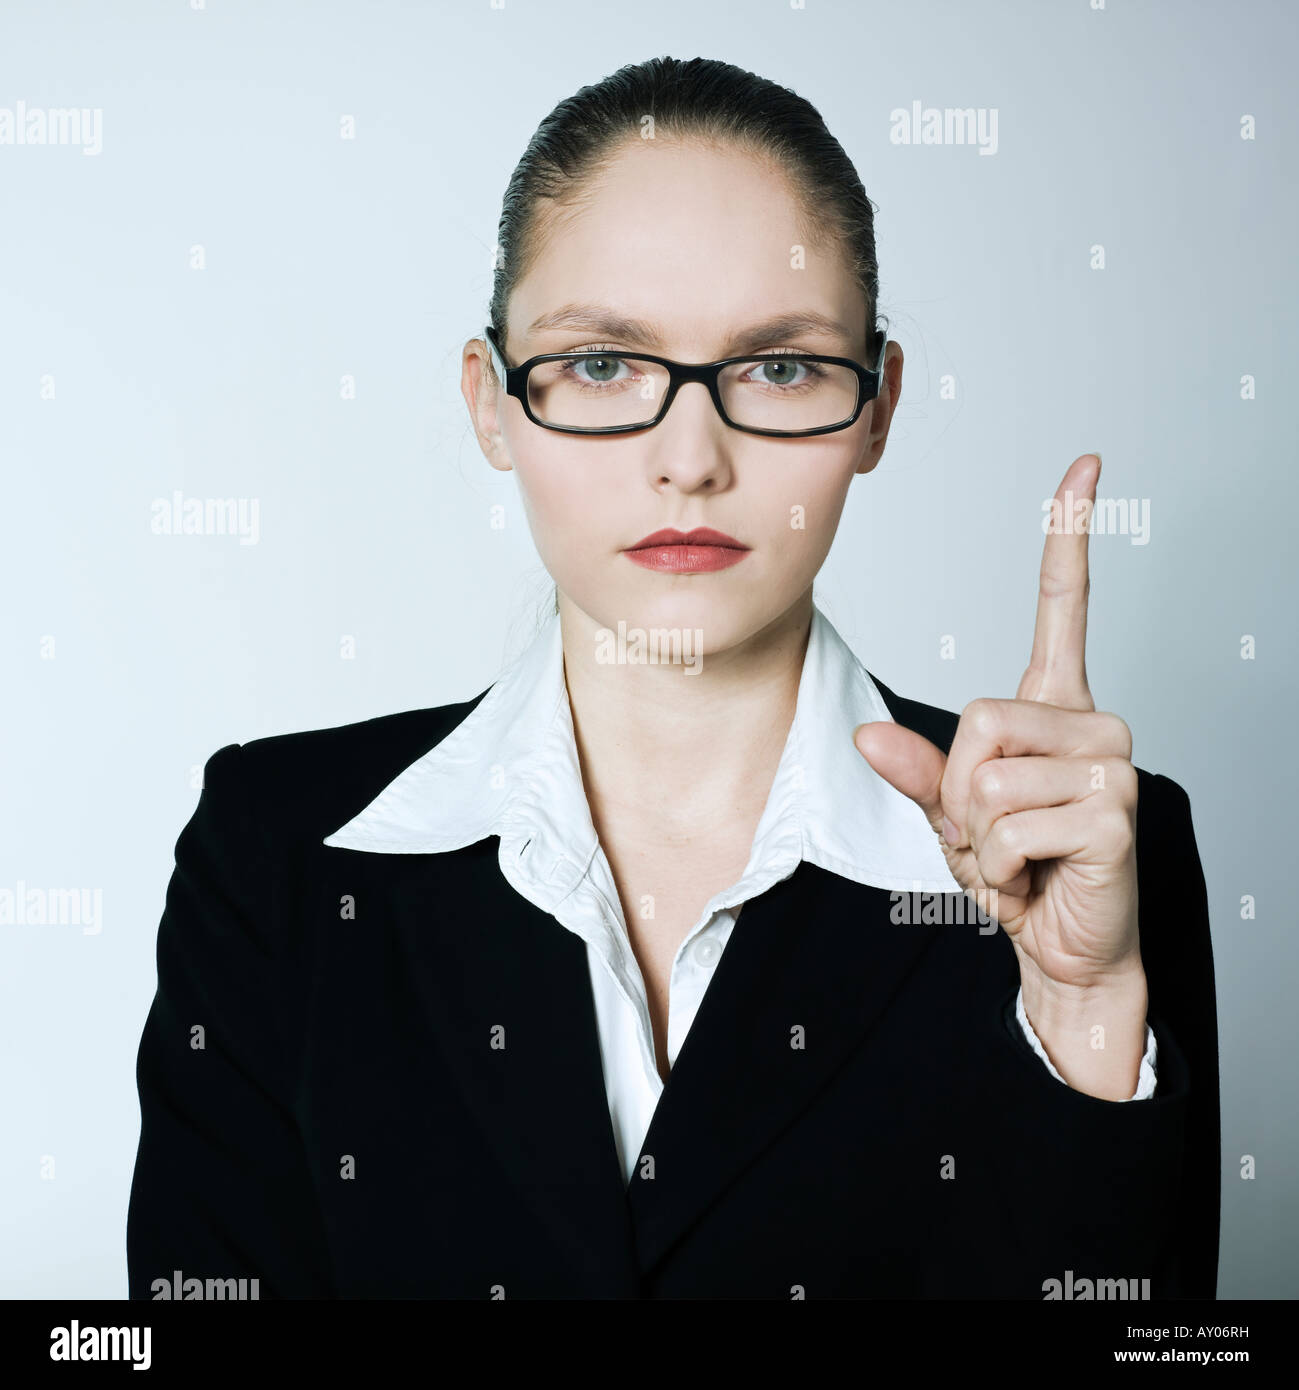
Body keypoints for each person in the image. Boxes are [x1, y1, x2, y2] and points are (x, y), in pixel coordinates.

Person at [127, 55, 1219, 1299]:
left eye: (779, 366)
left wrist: (1082, 1026)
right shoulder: (278, 849)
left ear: (878, 406)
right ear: (491, 402)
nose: (688, 457)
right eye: (601, 364)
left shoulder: (1080, 844)